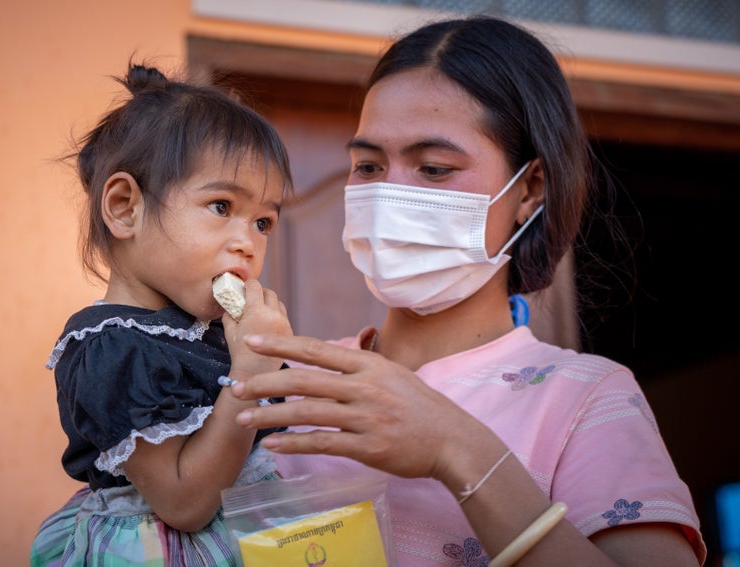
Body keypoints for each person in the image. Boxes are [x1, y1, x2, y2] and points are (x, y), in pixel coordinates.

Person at [227, 15, 706, 567]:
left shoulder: (585, 400)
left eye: (433, 168)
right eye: (367, 165)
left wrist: (457, 450)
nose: (388, 195)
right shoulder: (287, 387)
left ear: (529, 190)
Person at [30, 62, 294, 566]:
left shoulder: (207, 333)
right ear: (126, 207)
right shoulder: (114, 348)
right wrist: (249, 379)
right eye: (221, 207)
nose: (247, 243)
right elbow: (185, 502)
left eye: (263, 221)